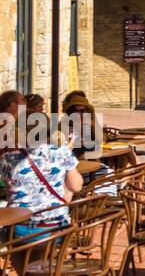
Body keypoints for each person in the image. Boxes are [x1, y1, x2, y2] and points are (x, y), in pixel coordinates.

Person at [0, 91, 84, 237]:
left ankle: (26, 259)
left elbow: (8, 187)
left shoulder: (8, 159)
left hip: (19, 230)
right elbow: (76, 186)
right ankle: (44, 258)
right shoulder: (61, 152)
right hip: (55, 228)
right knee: (66, 186)